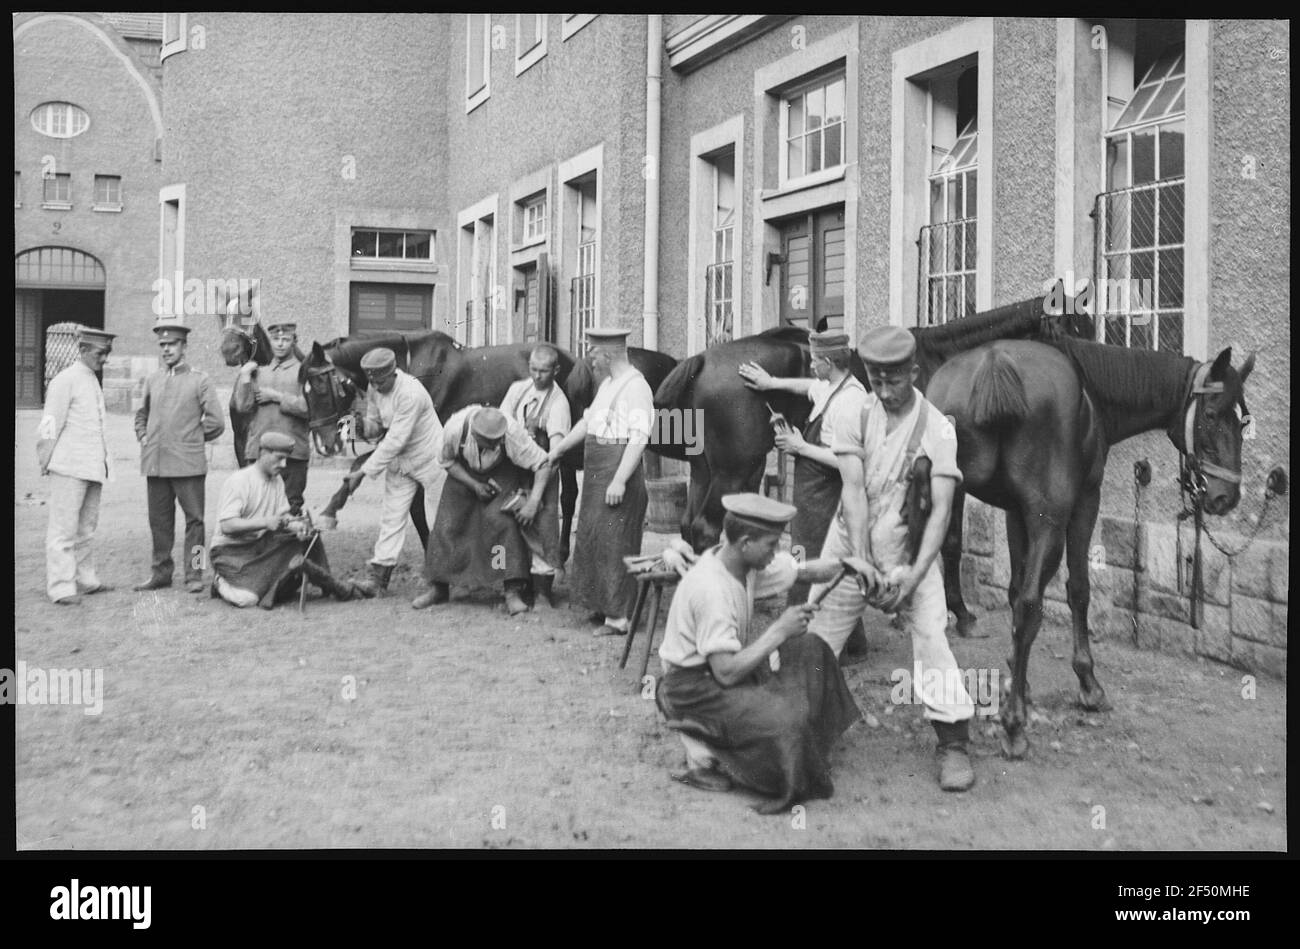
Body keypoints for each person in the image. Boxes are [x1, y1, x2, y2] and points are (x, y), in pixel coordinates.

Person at [806, 324, 976, 792]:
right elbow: (853, 489)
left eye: (893, 381)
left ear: (914, 372)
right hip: (850, 542)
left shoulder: (938, 428)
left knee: (931, 635)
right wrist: (859, 561)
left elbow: (941, 511)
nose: (883, 390)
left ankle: (953, 742)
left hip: (909, 550)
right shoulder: (854, 413)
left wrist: (914, 575)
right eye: (875, 380)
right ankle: (804, 732)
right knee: (819, 634)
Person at [654, 493, 864, 815]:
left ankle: (796, 747)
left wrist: (853, 566)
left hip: (725, 670)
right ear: (746, 542)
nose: (776, 552)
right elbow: (725, 673)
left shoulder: (745, 562)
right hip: (691, 688)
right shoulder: (711, 588)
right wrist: (779, 631)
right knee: (785, 720)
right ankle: (705, 753)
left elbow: (806, 571)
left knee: (813, 650)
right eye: (772, 545)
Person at [737, 329, 869, 601]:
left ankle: (801, 629)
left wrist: (801, 447)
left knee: (815, 562)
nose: (810, 365)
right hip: (810, 499)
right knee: (806, 556)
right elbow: (807, 386)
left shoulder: (849, 401)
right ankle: (850, 642)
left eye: (814, 360)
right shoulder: (831, 385)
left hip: (826, 499)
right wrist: (771, 383)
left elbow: (846, 460)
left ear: (829, 364)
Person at [546, 326, 654, 637]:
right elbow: (588, 421)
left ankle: (619, 618)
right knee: (594, 539)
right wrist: (560, 449)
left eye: (593, 353)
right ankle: (600, 604)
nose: (589, 359)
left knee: (615, 544)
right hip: (597, 473)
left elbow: (639, 437)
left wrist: (619, 481)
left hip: (618, 472)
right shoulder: (607, 383)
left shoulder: (636, 387)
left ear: (607, 355)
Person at [412, 405, 555, 615]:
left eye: (497, 441)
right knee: (447, 524)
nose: (494, 444)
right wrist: (474, 485)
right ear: (474, 433)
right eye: (488, 442)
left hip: (501, 474)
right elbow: (447, 462)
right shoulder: (454, 429)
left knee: (502, 525)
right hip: (463, 475)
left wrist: (533, 502)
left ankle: (511, 590)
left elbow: (543, 464)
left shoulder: (512, 433)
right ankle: (439, 587)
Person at [209, 432, 369, 608]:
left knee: (306, 540)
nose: (284, 465)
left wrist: (297, 525)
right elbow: (227, 525)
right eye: (279, 458)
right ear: (262, 453)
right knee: (248, 600)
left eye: (286, 459)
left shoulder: (276, 481)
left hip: (261, 547)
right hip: (230, 551)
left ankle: (325, 583)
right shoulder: (239, 481)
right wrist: (265, 522)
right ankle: (220, 582)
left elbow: (283, 516)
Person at [340, 347, 445, 596]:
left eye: (380, 381)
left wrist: (362, 472)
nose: (375, 386)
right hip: (400, 462)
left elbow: (396, 439)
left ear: (393, 373)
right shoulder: (375, 389)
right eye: (372, 381)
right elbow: (378, 426)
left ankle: (442, 579)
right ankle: (378, 579)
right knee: (391, 517)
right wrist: (361, 426)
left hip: (430, 458)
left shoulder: (411, 393)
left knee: (437, 518)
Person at [133, 321, 225, 593]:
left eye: (172, 344)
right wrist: (142, 434)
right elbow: (141, 415)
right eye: (162, 345)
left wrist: (193, 439)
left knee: (195, 521)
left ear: (184, 347)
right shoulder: (152, 380)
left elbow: (216, 422)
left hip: (188, 465)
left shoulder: (200, 380)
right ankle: (160, 573)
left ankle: (195, 574)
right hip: (156, 464)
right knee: (159, 522)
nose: (166, 350)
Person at [38, 327, 117, 606]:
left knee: (86, 528)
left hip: (92, 468)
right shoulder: (64, 380)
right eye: (100, 353)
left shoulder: (92, 379)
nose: (104, 358)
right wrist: (45, 459)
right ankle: (61, 587)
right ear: (82, 351)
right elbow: (50, 424)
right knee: (63, 529)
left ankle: (86, 579)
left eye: (107, 353)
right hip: (68, 467)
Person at [498, 343, 571, 607]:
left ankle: (542, 592)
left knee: (543, 527)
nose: (537, 376)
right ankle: (515, 586)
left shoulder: (559, 404)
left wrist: (535, 499)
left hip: (545, 475)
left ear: (556, 370)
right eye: (533, 369)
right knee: (510, 527)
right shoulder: (518, 390)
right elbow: (501, 424)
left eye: (543, 371)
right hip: (515, 471)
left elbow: (555, 455)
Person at [232, 318, 311, 515]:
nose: (281, 344)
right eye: (276, 340)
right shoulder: (259, 372)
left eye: (286, 339)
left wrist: (277, 397)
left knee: (290, 509)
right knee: (257, 506)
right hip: (261, 452)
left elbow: (309, 409)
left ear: (294, 341)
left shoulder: (304, 372)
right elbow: (243, 407)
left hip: (292, 454)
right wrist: (244, 378)